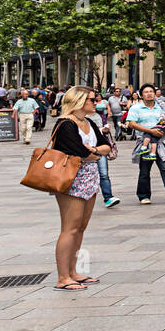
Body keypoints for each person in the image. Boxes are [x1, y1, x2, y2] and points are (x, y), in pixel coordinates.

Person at [47, 88, 112, 289]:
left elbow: (106, 146)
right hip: (71, 179)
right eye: (93, 99)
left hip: (90, 179)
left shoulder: (88, 122)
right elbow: (81, 152)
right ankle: (62, 277)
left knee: (80, 228)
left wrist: (94, 151)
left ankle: (72, 271)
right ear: (79, 101)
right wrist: (94, 152)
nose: (97, 102)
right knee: (70, 228)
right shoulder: (66, 124)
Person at [126, 84, 165, 205]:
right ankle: (144, 196)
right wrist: (150, 131)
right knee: (144, 171)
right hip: (145, 142)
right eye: (146, 92)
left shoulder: (161, 107)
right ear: (141, 95)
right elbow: (132, 124)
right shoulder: (136, 108)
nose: (149, 94)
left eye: (151, 91)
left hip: (162, 142)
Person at [89, 89, 120, 208]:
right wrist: (102, 130)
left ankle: (108, 197)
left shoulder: (97, 115)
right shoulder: (75, 119)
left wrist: (104, 129)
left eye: (96, 100)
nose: (96, 103)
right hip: (85, 151)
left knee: (104, 174)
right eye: (93, 100)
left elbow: (98, 131)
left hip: (99, 148)